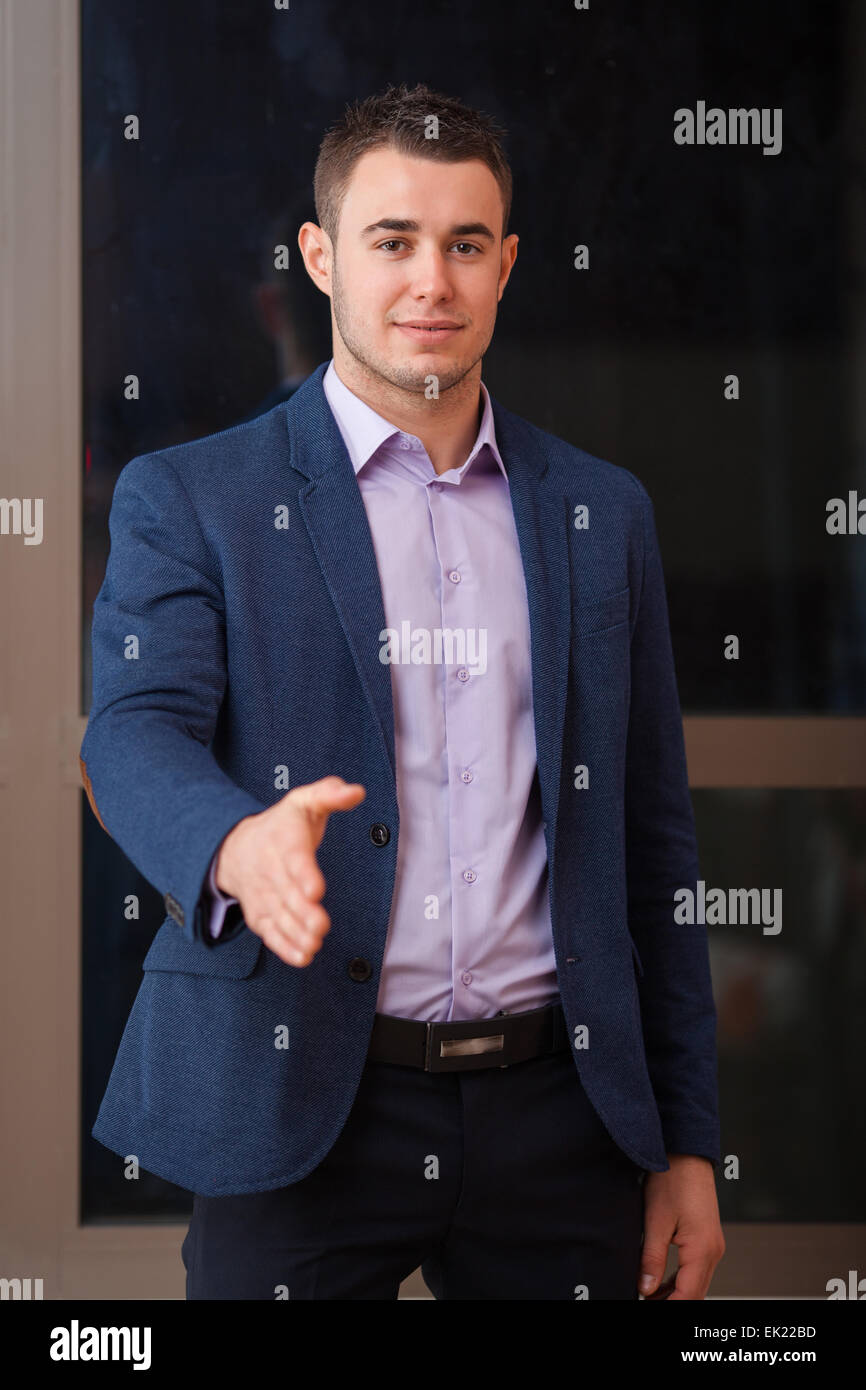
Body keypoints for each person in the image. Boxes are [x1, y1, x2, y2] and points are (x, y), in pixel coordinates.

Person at [80, 81, 724, 1301]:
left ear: (505, 265)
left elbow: (652, 843)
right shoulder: (194, 499)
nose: (430, 279)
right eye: (392, 240)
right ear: (320, 257)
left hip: (560, 1112)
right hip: (302, 1097)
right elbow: (130, 732)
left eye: (464, 244)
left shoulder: (601, 513)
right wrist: (230, 843)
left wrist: (686, 1142)